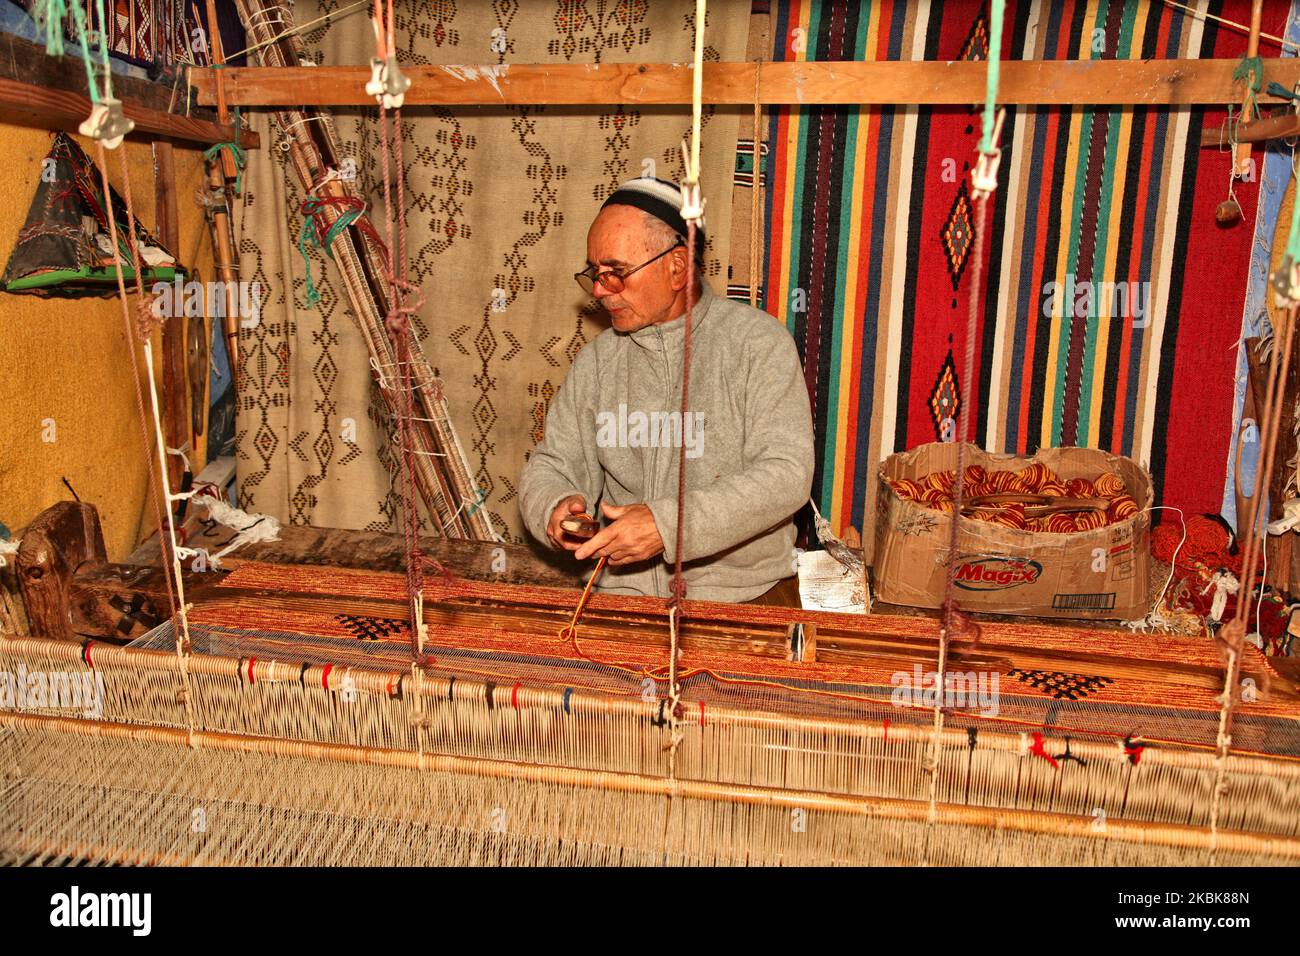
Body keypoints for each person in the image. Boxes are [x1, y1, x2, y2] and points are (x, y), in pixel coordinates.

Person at [519, 177, 814, 602]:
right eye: (594, 274)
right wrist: (554, 504)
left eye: (615, 273)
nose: (600, 291)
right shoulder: (599, 361)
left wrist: (667, 526)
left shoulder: (757, 345)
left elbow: (787, 475)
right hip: (622, 591)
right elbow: (553, 464)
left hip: (743, 593)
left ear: (677, 267)